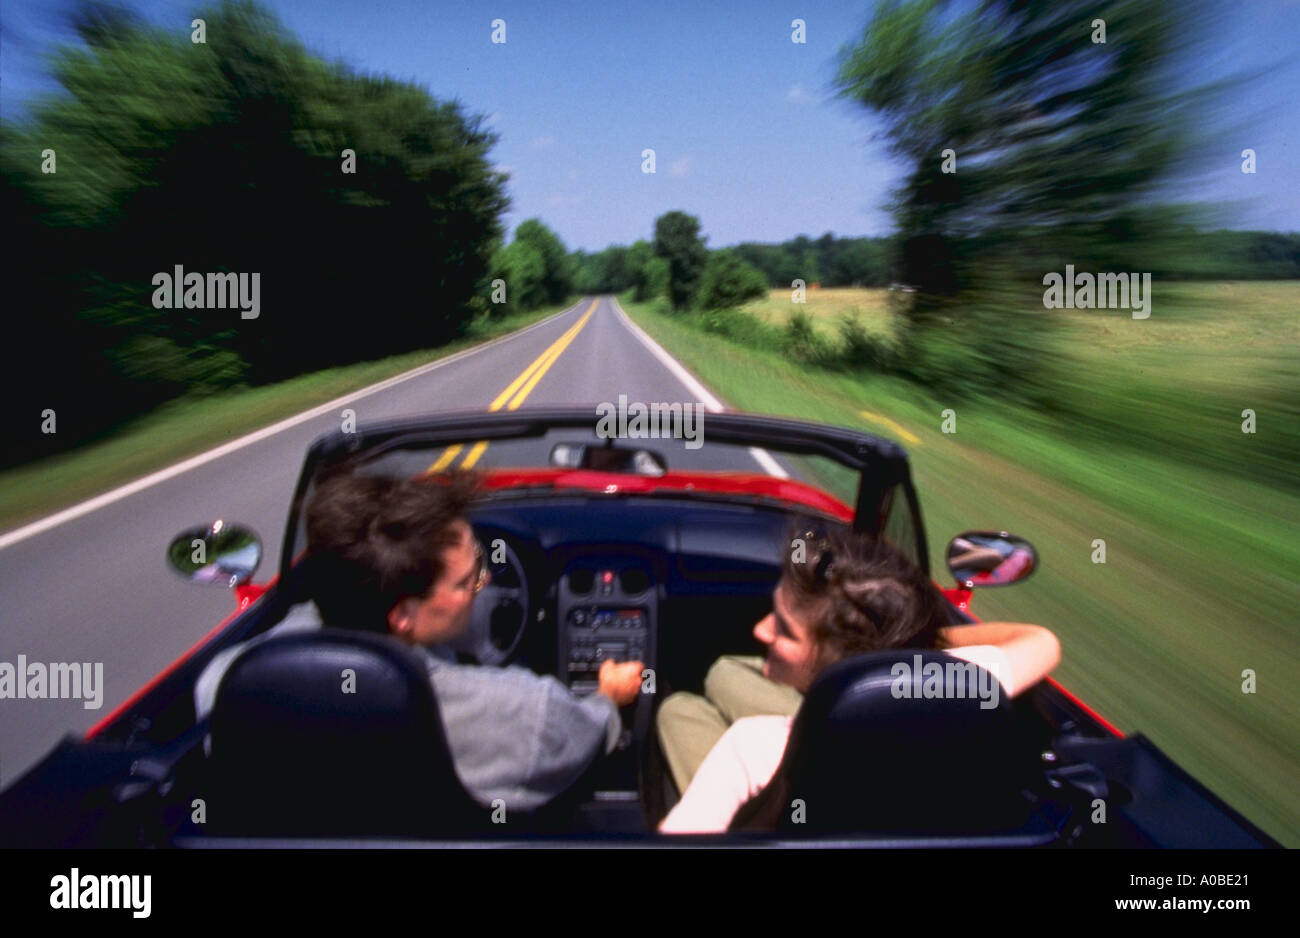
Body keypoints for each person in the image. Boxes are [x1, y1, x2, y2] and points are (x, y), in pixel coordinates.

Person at [195, 468, 644, 814]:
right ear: (403, 616)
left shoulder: (226, 685)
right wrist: (608, 698)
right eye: (469, 580)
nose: (485, 584)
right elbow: (582, 735)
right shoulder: (527, 714)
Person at [657, 526, 1059, 833]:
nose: (761, 630)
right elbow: (1042, 641)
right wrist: (907, 647)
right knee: (721, 676)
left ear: (840, 658)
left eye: (784, 628)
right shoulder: (956, 696)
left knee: (686, 702)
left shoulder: (754, 744)